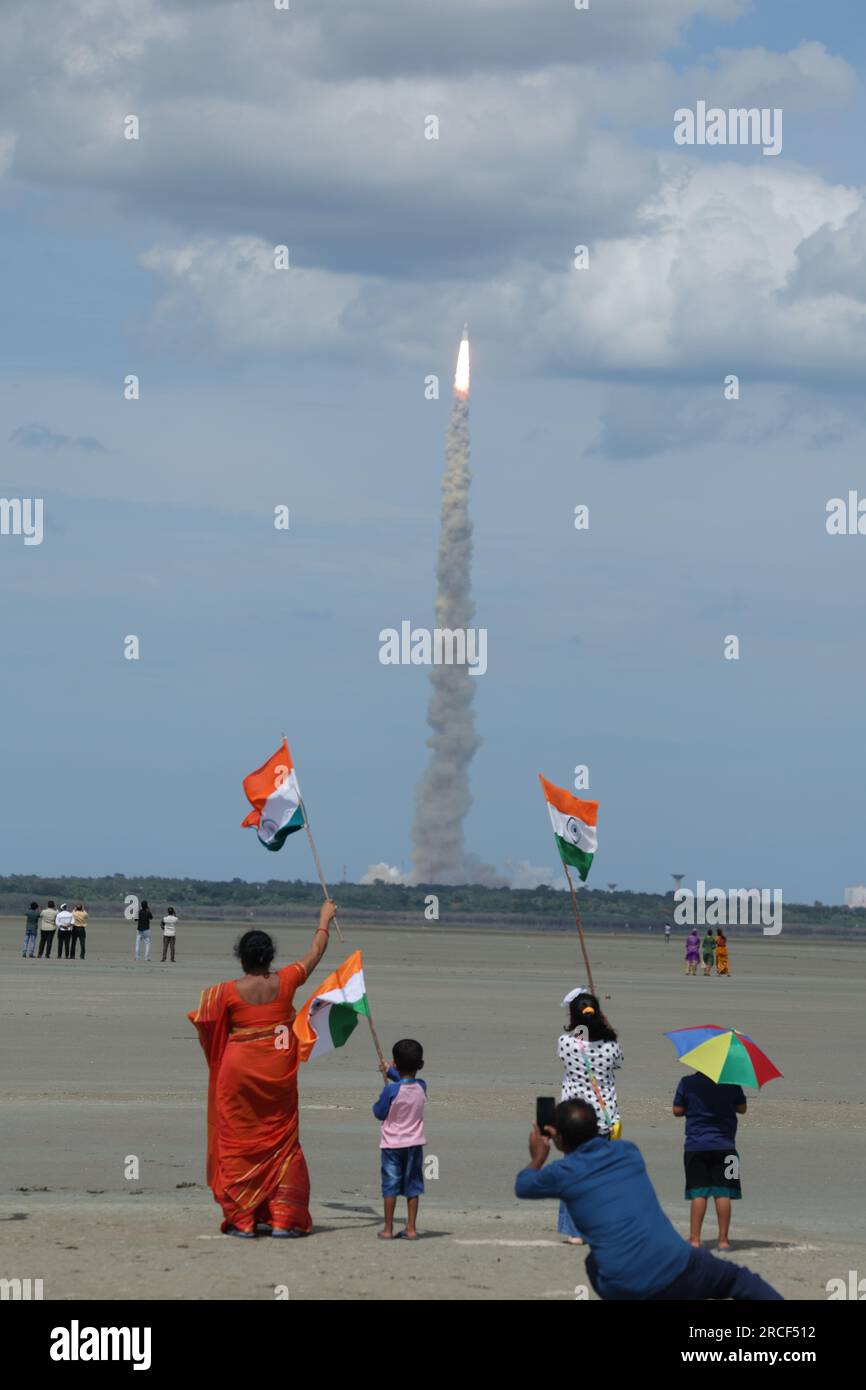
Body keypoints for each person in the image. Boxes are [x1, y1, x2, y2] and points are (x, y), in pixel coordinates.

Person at [515, 1099, 781, 1300]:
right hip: (678, 1266)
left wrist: (538, 1156)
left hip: (622, 1283)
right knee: (737, 1279)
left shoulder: (562, 1173)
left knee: (594, 1263)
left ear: (558, 1139)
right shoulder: (628, 1151)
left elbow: (523, 1185)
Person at [188, 899, 336, 1237]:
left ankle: (243, 1219)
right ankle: (283, 1218)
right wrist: (324, 919)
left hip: (237, 1070)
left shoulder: (223, 993)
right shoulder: (286, 981)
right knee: (281, 1141)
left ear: (241, 958)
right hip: (277, 1068)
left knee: (237, 1140)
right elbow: (315, 953)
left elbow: (205, 1021)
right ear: (270, 957)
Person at [556, 991, 623, 1244]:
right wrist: (607, 1028)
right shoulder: (610, 1046)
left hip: (573, 1115)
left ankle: (574, 1230)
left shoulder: (566, 1042)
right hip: (601, 1117)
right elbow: (619, 1061)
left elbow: (566, 1053)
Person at [673, 1069, 746, 1250]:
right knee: (724, 1193)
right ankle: (723, 1240)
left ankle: (695, 1239)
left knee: (698, 1193)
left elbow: (677, 1110)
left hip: (696, 1146)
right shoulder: (732, 1083)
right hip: (727, 1146)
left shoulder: (687, 1082)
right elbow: (742, 1108)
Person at [373, 1039, 427, 1241]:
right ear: (420, 1064)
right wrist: (390, 1072)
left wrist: (390, 1074)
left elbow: (379, 1112)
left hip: (392, 1145)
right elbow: (407, 1082)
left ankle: (388, 1228)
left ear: (395, 1062)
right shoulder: (422, 1086)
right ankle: (411, 1228)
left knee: (390, 1185)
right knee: (413, 1186)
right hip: (414, 1144)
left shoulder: (391, 1090)